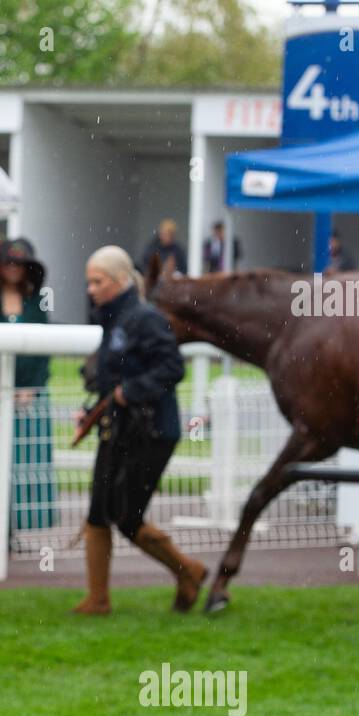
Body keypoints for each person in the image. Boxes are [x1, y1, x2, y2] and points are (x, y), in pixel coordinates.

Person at [75, 245, 207, 615]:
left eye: (97, 281)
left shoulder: (145, 318)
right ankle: (97, 599)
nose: (91, 289)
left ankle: (189, 571)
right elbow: (112, 377)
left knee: (127, 516)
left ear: (118, 281)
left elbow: (171, 368)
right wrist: (91, 410)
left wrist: (128, 393)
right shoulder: (113, 319)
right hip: (117, 429)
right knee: (99, 512)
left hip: (151, 434)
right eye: (90, 282)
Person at [0, 237, 56, 532]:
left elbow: (44, 350)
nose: (14, 268)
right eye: (9, 262)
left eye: (20, 263)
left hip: (30, 396)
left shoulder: (36, 301)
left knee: (28, 459)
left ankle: (24, 523)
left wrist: (31, 387)